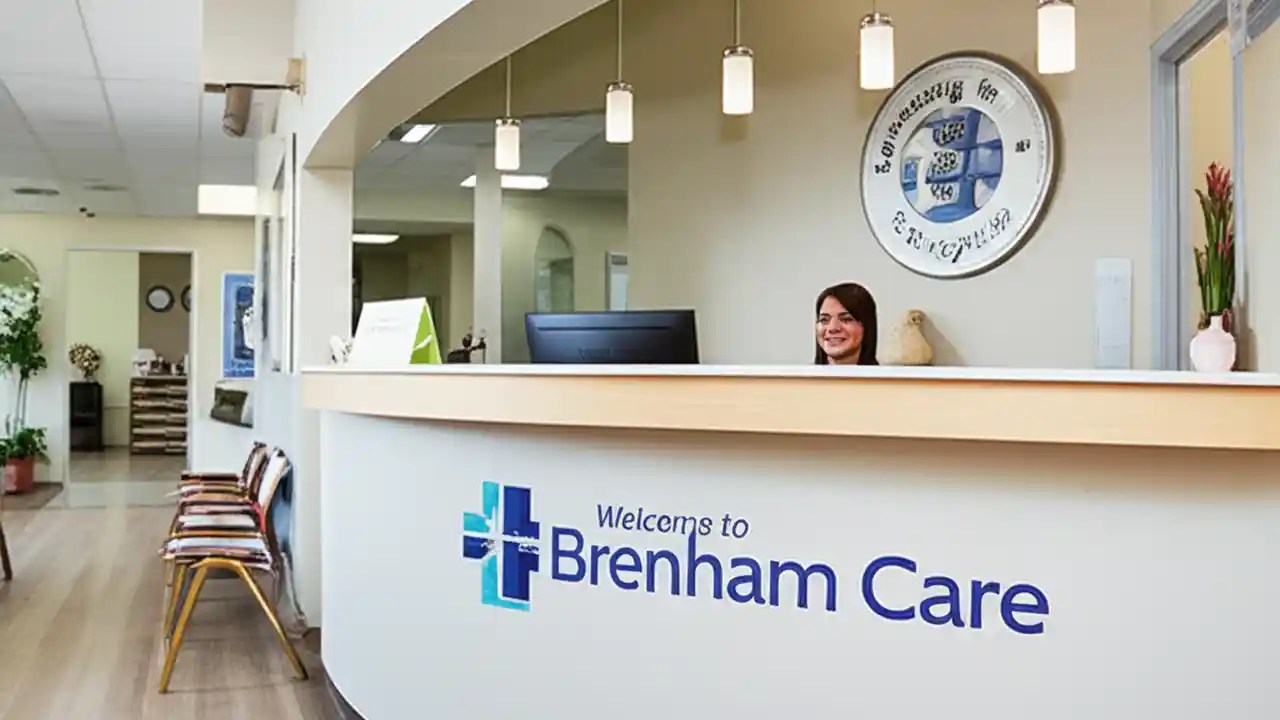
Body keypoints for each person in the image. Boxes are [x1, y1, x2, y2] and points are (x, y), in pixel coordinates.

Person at [814, 282, 879, 365]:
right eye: (824, 320)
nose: (833, 328)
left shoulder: (888, 373)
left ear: (867, 326)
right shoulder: (801, 373)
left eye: (846, 319)